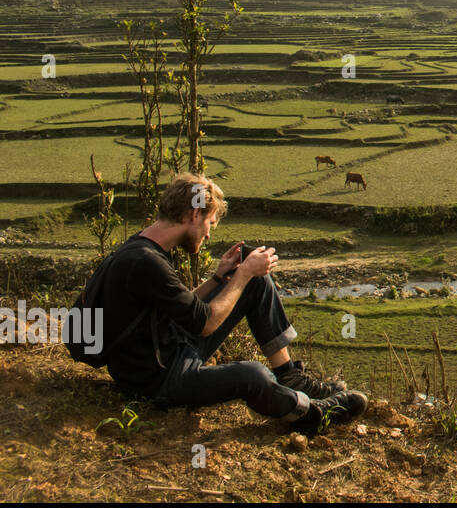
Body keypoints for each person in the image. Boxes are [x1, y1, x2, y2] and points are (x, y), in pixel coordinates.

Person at [98, 172, 366, 435]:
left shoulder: (143, 248)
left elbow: (184, 307)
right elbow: (205, 323)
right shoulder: (148, 263)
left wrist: (219, 277)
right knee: (252, 374)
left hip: (168, 350)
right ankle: (313, 414)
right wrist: (243, 273)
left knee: (257, 283)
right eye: (210, 224)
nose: (208, 235)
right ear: (194, 214)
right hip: (160, 379)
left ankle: (289, 376)